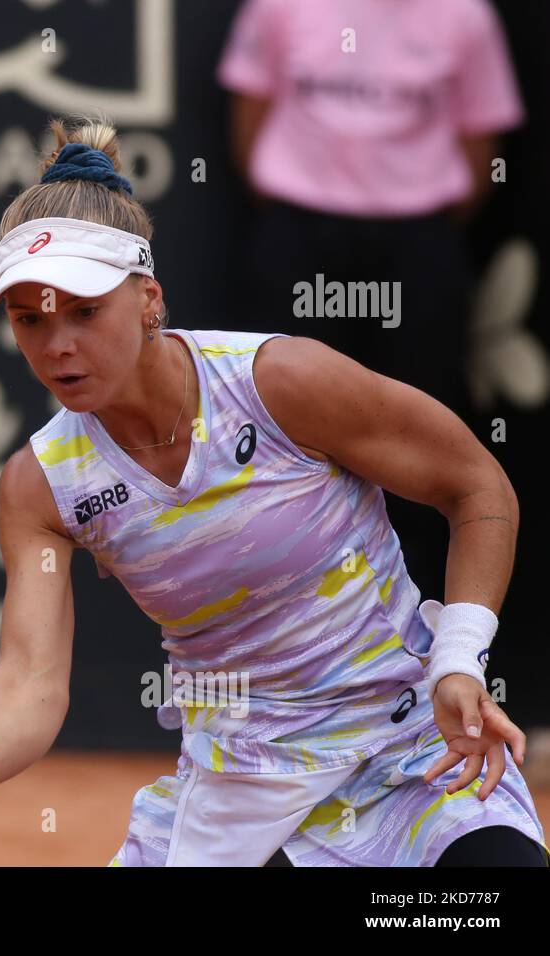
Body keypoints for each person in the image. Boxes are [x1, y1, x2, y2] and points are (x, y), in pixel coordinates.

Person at [0, 116, 547, 867]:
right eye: (31, 321)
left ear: (149, 299)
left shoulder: (283, 384)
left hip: (416, 754)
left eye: (85, 311)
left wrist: (459, 658)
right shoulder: (41, 487)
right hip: (243, 794)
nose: (58, 345)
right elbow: (30, 681)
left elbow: (475, 486)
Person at [217, 0, 526, 603]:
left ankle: (422, 618)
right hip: (299, 237)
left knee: (425, 425)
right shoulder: (278, 6)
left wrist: (412, 210)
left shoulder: (466, 16)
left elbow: (480, 142)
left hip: (417, 244)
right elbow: (250, 119)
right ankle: (279, 607)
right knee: (273, 420)